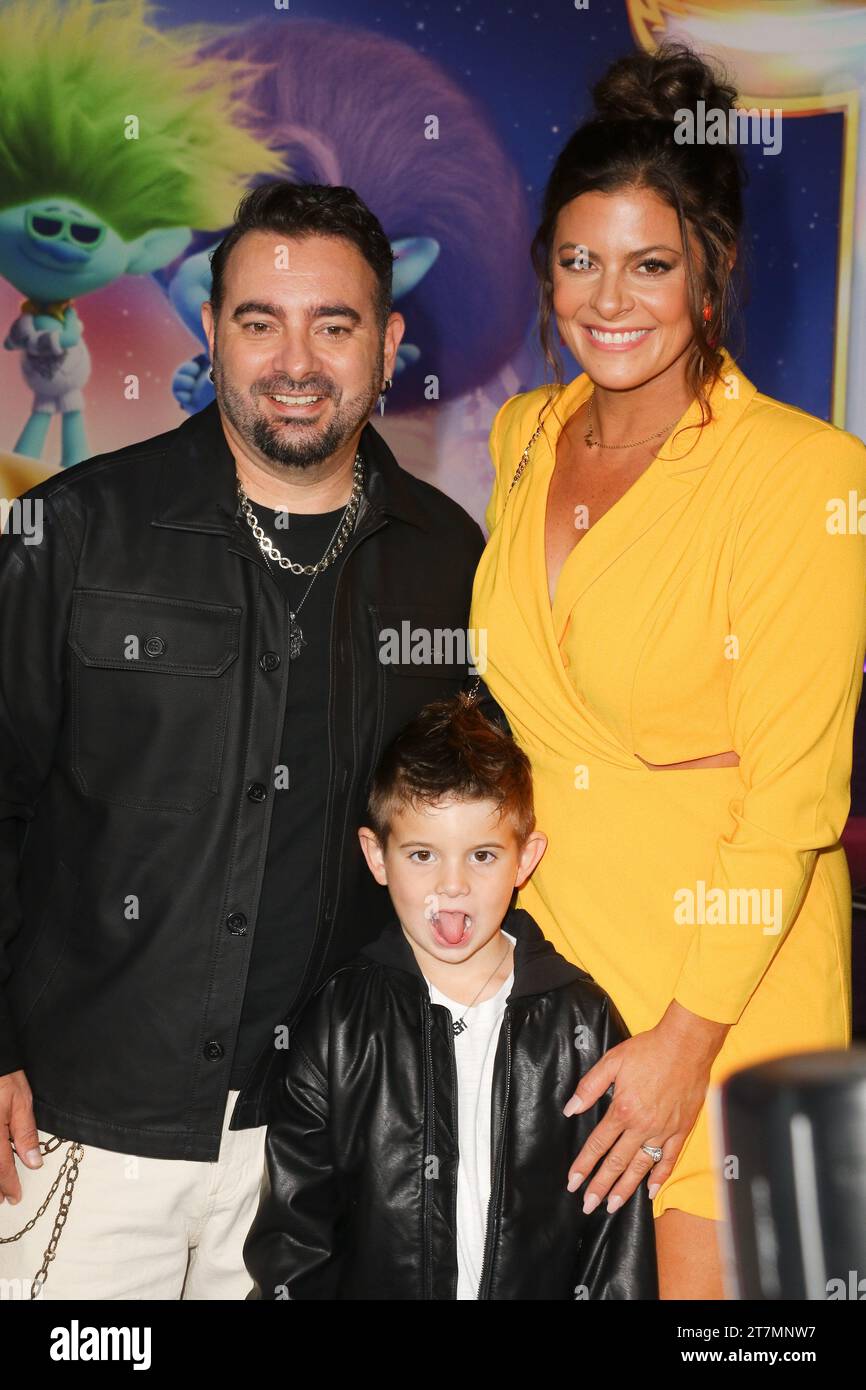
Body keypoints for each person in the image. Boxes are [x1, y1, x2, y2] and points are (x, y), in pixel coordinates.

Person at [0, 181, 491, 1298]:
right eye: (259, 320)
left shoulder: (446, 560)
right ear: (212, 329)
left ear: (386, 341)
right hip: (80, 1129)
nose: (295, 360)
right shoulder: (75, 530)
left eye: (335, 323)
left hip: (315, 1145)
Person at [469, 42, 866, 1299]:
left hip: (726, 1011)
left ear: (712, 272)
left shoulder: (804, 476)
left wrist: (685, 1044)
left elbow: (796, 798)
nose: (608, 299)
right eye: (579, 260)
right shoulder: (520, 435)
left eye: (650, 264)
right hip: (557, 997)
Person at [242, 695, 658, 1299]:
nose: (452, 885)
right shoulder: (340, 1022)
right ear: (376, 857)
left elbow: (616, 1243)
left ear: (526, 859)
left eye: (483, 855)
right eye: (422, 855)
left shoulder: (583, 1022)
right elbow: (295, 1237)